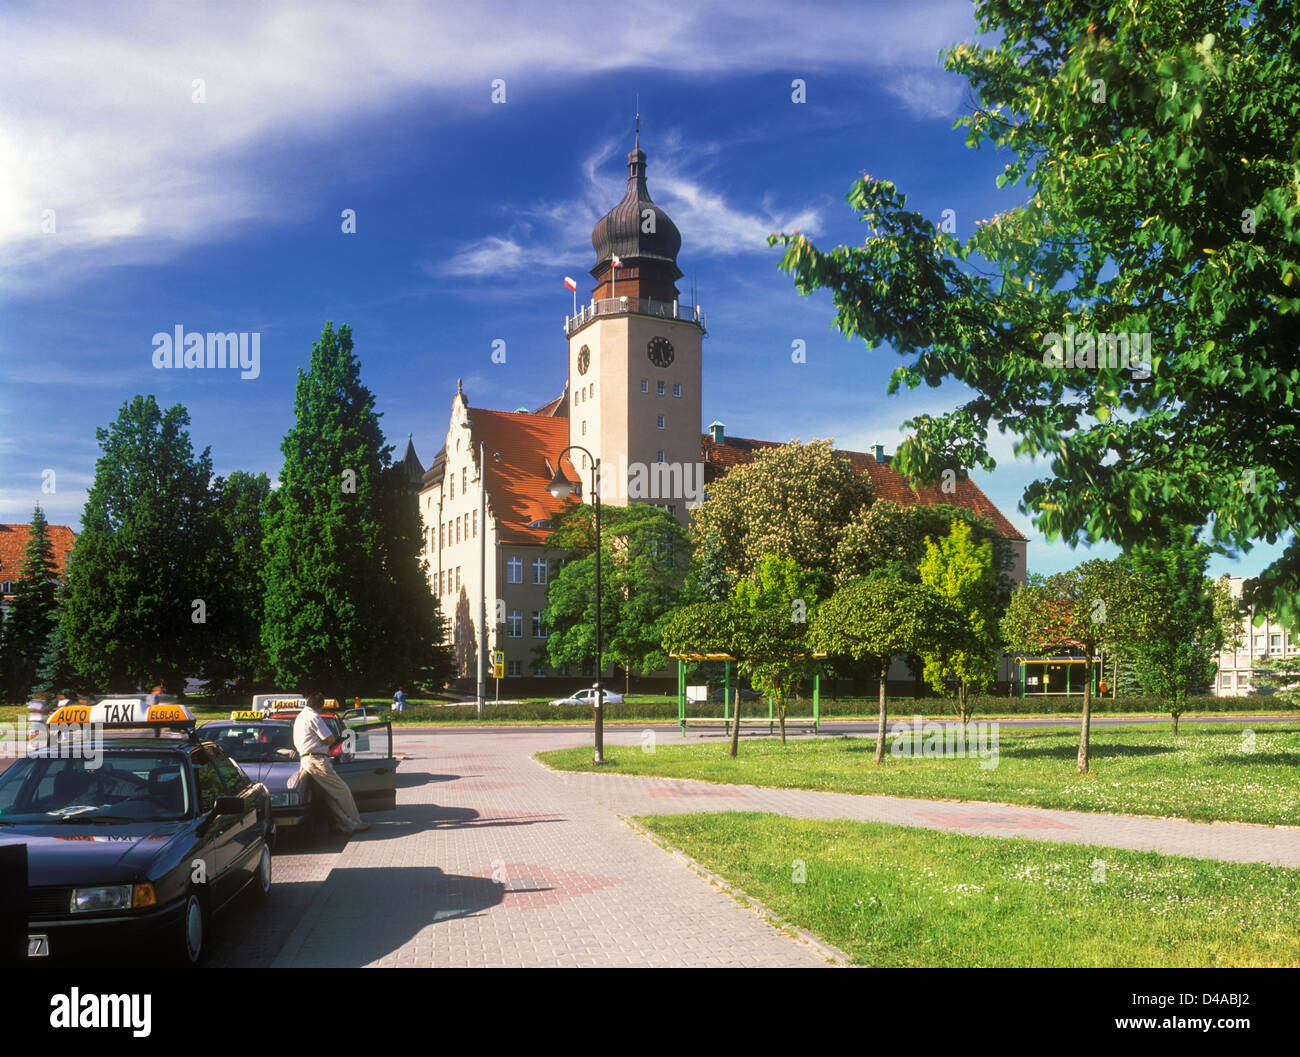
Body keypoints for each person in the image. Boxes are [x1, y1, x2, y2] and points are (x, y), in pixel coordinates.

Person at [293, 692, 369, 836]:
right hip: (317, 760)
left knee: (330, 794)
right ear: (320, 706)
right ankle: (355, 822)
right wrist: (324, 742)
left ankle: (347, 825)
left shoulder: (300, 717)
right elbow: (330, 738)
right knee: (342, 791)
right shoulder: (314, 716)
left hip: (305, 760)